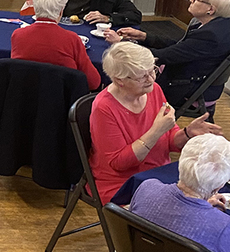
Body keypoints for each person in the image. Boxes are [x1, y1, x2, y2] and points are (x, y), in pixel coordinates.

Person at [89, 42, 220, 202]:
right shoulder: (104, 107)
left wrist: (187, 133)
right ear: (119, 80)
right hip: (123, 183)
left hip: (160, 173)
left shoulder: (154, 90)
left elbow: (169, 141)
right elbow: (119, 164)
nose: (151, 79)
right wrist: (156, 131)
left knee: (210, 196)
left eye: (152, 71)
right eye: (142, 76)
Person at [108, 0, 230, 110]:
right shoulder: (219, 24)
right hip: (192, 79)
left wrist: (122, 44)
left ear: (210, 9)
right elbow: (179, 47)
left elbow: (165, 56)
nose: (191, 0)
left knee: (125, 81)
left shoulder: (210, 35)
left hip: (186, 87)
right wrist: (144, 37)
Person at [10, 0, 102, 90]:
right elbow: (94, 82)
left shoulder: (18, 35)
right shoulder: (72, 39)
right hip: (62, 102)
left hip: (24, 100)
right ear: (61, 11)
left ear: (34, 8)